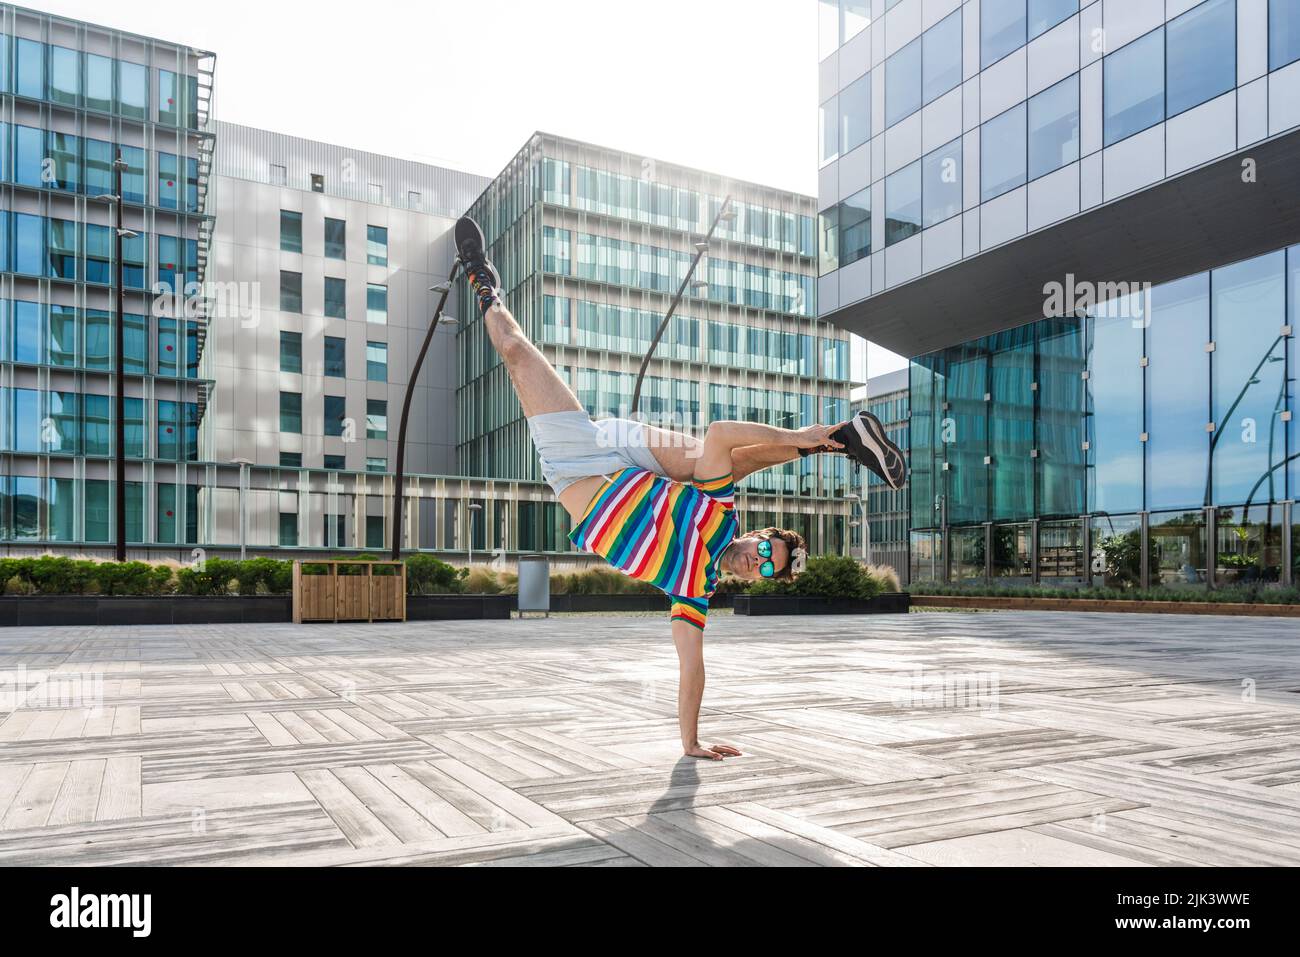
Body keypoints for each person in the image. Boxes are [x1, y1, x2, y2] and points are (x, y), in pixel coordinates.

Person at [454, 216, 906, 760]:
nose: (755, 562)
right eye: (766, 550)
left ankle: (481, 281)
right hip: (629, 455)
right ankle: (825, 438)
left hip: (575, 468)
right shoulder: (723, 517)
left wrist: (690, 742)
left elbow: (693, 668)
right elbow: (717, 436)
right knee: (718, 463)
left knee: (515, 351)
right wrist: (794, 435)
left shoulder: (694, 592)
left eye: (766, 569)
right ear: (760, 534)